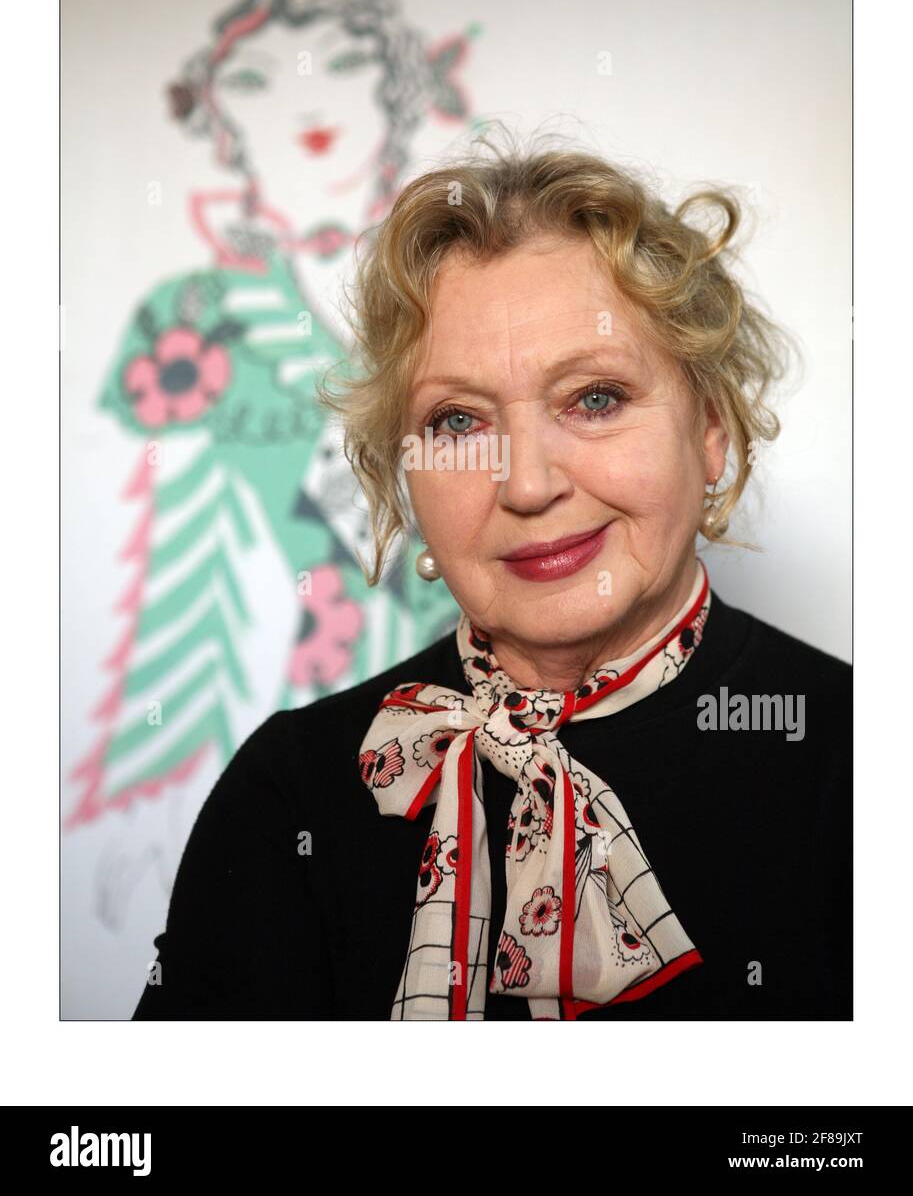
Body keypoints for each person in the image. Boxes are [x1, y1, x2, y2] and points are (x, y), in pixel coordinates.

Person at [132, 137, 851, 1022]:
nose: (526, 485)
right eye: (459, 420)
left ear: (710, 429)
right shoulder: (291, 789)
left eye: (594, 398)